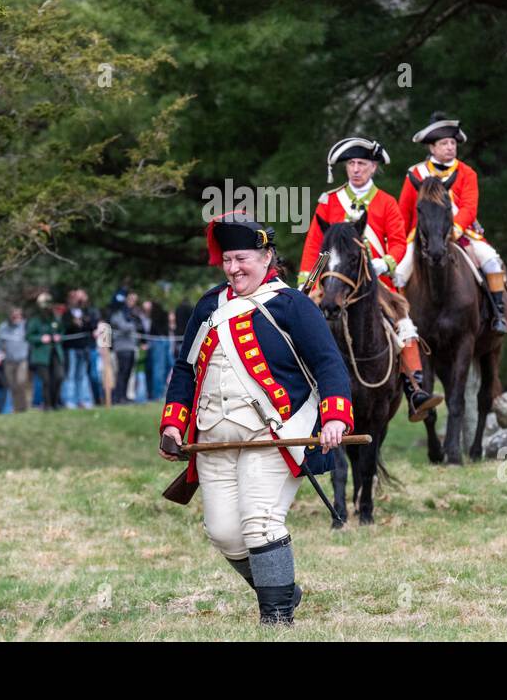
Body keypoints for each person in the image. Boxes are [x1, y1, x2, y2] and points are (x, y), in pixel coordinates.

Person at [158, 214, 354, 625]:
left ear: (266, 257)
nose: (233, 268)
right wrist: (173, 423)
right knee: (224, 532)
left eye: (242, 258)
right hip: (212, 438)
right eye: (227, 259)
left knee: (261, 523)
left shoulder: (293, 305)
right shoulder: (209, 306)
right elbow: (185, 369)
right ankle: (283, 588)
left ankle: (277, 619)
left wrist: (335, 416)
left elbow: (328, 363)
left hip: (275, 436)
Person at [298, 136, 441, 420]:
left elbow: (399, 242)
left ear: (373, 167)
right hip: (334, 280)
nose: (355, 169)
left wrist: (383, 264)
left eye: (362, 163)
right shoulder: (329, 201)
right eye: (351, 163)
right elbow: (316, 245)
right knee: (303, 322)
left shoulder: (386, 202)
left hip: (374, 282)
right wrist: (308, 282)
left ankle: (414, 387)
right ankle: (301, 384)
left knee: (403, 321)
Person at [397, 113, 507, 334]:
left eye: (452, 143)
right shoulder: (415, 173)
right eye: (444, 143)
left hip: (461, 232)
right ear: (432, 148)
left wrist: (455, 229)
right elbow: (404, 210)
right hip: (423, 235)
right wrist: (402, 241)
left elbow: (469, 207)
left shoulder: (467, 173)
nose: (450, 147)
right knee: (399, 273)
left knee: (491, 262)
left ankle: (497, 313)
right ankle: (402, 320)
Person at [61, 289, 99, 408]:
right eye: (75, 298)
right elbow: (64, 328)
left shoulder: (85, 312)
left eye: (80, 298)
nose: (78, 300)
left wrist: (84, 323)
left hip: (84, 347)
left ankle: (81, 400)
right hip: (71, 348)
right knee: (70, 375)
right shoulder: (66, 313)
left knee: (81, 375)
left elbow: (91, 326)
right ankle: (69, 400)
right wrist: (74, 324)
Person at [27, 292, 65, 410]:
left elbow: (61, 330)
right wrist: (41, 338)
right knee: (46, 381)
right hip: (41, 354)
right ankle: (47, 405)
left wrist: (59, 336)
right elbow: (28, 336)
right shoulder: (35, 320)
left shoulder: (55, 318)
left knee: (59, 377)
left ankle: (55, 402)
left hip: (55, 352)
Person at [0, 306, 30, 412]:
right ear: (10, 316)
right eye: (14, 316)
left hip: (22, 360)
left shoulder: (25, 326)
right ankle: (17, 408)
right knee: (12, 385)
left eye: (18, 315)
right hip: (9, 361)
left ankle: (23, 407)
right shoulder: (3, 327)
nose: (16, 318)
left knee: (21, 382)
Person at [110, 293, 139, 405]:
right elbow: (123, 326)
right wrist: (133, 325)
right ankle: (118, 397)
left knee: (128, 372)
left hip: (131, 346)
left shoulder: (130, 314)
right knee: (122, 372)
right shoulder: (117, 314)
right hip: (122, 347)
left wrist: (133, 324)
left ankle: (124, 396)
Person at [146, 299, 172, 400]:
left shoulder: (156, 314)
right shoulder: (160, 313)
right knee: (161, 369)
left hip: (161, 341)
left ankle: (158, 394)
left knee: (162, 368)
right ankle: (159, 394)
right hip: (161, 341)